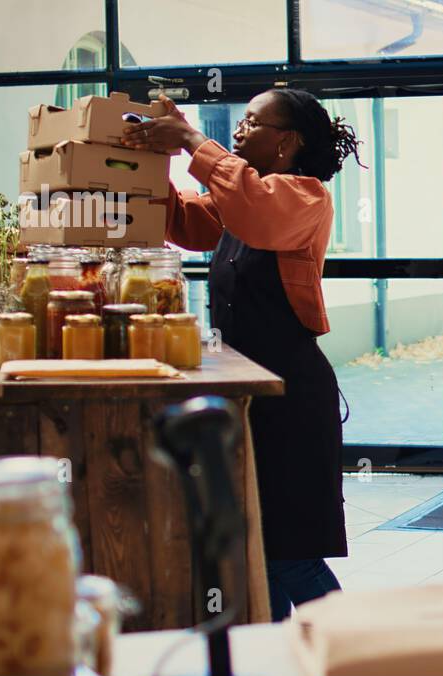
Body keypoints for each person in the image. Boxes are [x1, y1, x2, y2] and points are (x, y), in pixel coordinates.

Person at [123, 90, 362, 621]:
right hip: (248, 395)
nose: (239, 130)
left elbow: (255, 210)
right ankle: (276, 659)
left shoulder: (302, 196)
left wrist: (189, 138)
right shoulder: (239, 196)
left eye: (253, 123)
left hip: (291, 396)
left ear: (287, 141)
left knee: (289, 552)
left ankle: (355, 652)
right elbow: (185, 222)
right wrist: (148, 160)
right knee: (257, 546)